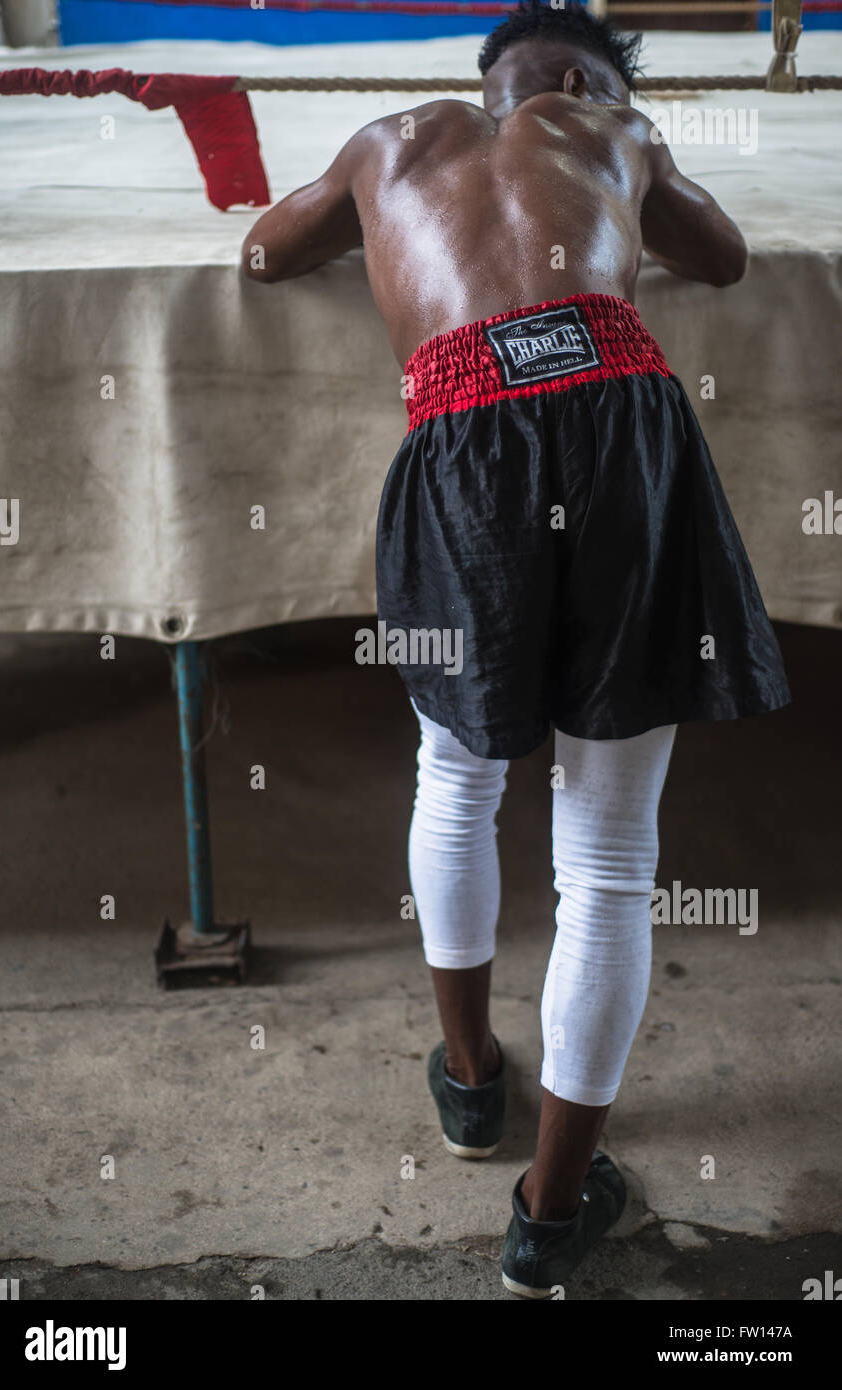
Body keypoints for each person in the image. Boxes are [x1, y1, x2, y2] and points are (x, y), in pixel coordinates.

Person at [241, 1, 790, 1297]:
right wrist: (635, 163)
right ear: (573, 77)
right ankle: (549, 1216)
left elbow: (262, 252)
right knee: (608, 853)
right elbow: (729, 260)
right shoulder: (617, 128)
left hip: (460, 428)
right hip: (619, 412)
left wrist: (368, 223)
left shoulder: (388, 139)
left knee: (457, 776)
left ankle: (473, 1081)